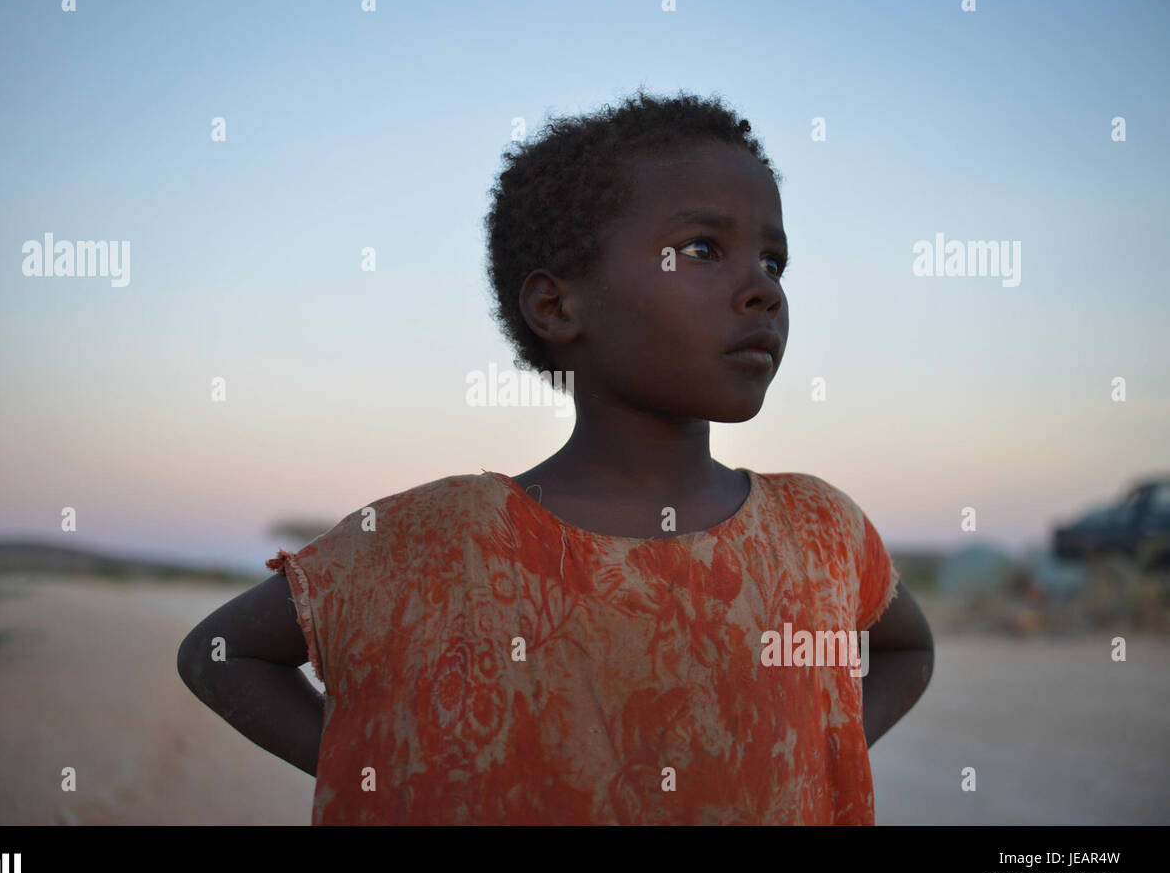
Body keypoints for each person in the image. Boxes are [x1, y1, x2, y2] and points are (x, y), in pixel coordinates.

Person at [178, 88, 934, 824]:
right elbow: (218, 654)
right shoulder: (434, 539)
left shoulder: (820, 528)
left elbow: (908, 646)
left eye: (774, 261)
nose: (761, 291)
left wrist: (813, 751)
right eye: (703, 248)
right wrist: (410, 773)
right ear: (557, 306)